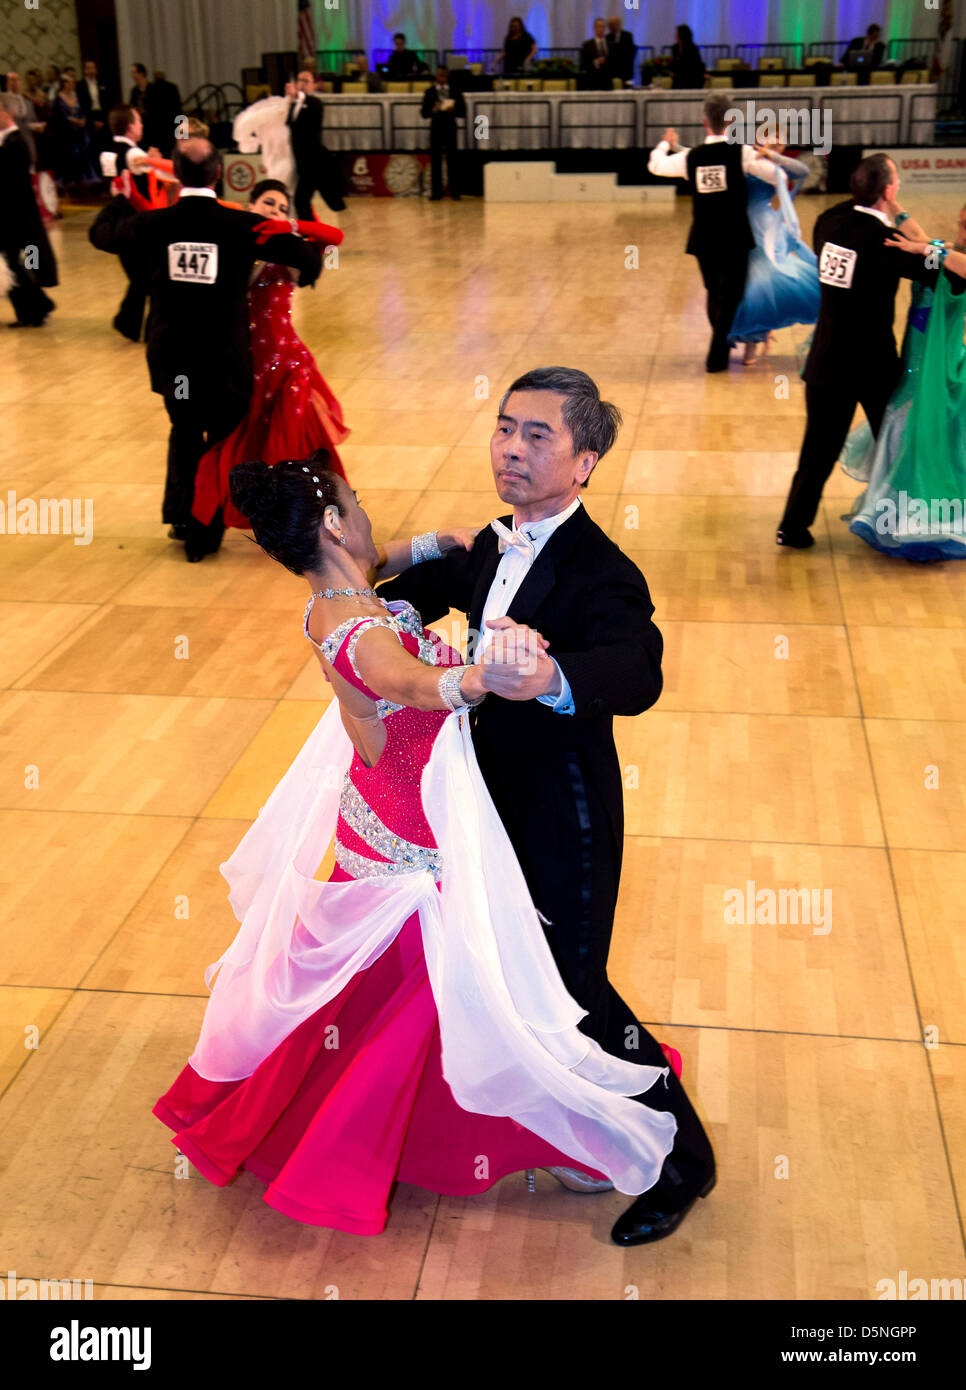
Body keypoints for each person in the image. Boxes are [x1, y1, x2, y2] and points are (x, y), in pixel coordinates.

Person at [154, 447, 689, 1237]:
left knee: (420, 998)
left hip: (385, 804)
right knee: (489, 984)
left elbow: (386, 556)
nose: (372, 514)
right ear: (334, 523)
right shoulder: (359, 629)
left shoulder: (339, 589)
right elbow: (406, 683)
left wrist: (444, 542)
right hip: (414, 833)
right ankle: (551, 1125)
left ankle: (495, 1121)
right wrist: (482, 677)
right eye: (357, 501)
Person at [377, 367, 717, 1246]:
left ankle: (684, 1159)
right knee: (515, 974)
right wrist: (408, 563)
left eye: (538, 437)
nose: (512, 450)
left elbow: (638, 670)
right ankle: (575, 1123)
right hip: (488, 803)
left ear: (586, 460)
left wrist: (557, 677)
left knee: (572, 989)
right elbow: (392, 594)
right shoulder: (494, 540)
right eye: (504, 429)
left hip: (563, 813)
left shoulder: (604, 570)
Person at [88, 137, 323, 561]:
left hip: (173, 357)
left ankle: (182, 518)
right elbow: (304, 256)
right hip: (224, 361)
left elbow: (101, 235)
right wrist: (299, 243)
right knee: (220, 440)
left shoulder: (157, 223)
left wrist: (120, 199)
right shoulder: (241, 226)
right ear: (219, 173)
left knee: (183, 430)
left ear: (176, 173)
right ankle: (205, 527)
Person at [777, 153, 965, 548]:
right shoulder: (884, 242)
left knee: (818, 450)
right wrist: (917, 236)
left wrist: (894, 210)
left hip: (826, 362)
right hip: (873, 367)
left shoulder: (828, 221)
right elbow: (937, 262)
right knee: (898, 447)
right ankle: (904, 523)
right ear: (890, 189)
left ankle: (792, 526)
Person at [192, 178, 349, 531]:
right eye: (268, 204)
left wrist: (289, 226)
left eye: (281, 207)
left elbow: (333, 236)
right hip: (246, 364)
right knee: (250, 441)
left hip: (288, 363)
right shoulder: (236, 246)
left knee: (291, 441)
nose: (275, 211)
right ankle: (259, 511)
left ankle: (302, 516)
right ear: (250, 206)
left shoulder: (291, 252)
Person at [840, 206, 966, 560]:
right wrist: (894, 208)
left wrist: (928, 250)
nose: (962, 229)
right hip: (913, 360)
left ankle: (919, 520)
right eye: (961, 221)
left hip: (936, 367)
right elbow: (920, 237)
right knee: (899, 430)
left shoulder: (956, 263)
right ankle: (895, 513)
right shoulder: (944, 251)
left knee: (912, 434)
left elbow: (934, 252)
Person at [648, 94, 786, 372]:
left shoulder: (692, 157)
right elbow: (779, 177)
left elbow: (656, 165)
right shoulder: (743, 153)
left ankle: (719, 349)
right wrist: (767, 156)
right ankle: (717, 355)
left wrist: (666, 142)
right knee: (730, 296)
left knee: (714, 291)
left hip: (704, 240)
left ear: (704, 122)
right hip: (735, 239)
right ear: (732, 121)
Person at [727, 139, 820, 366]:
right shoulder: (745, 156)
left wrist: (774, 156)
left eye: (781, 144)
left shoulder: (779, 164)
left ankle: (754, 341)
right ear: (760, 140)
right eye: (774, 142)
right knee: (753, 282)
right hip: (741, 227)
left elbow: (803, 171)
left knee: (767, 279)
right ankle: (757, 336)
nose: (778, 147)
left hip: (766, 228)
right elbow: (702, 155)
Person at [0, 94, 58, 326]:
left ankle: (34, 310)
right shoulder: (9, 140)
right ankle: (38, 306)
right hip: (14, 217)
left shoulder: (16, 141)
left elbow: (10, 181)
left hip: (17, 218)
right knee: (18, 263)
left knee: (19, 263)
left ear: (7, 112)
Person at [284, 69, 345, 217]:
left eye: (306, 81)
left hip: (314, 161)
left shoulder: (315, 104)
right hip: (302, 162)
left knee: (301, 200)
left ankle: (310, 235)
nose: (302, 84)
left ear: (313, 85)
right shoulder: (292, 106)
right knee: (315, 198)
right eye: (300, 80)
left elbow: (306, 101)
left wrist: (297, 95)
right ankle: (313, 233)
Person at [420, 67, 464, 201]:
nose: (442, 78)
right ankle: (436, 192)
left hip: (450, 127)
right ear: (436, 77)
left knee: (453, 160)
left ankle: (455, 192)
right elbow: (424, 113)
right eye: (440, 76)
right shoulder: (429, 92)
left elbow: (463, 111)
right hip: (436, 128)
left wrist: (453, 110)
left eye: (445, 76)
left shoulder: (455, 91)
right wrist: (434, 109)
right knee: (436, 161)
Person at [50, 72, 97, 186]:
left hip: (80, 132)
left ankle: (83, 179)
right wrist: (73, 121)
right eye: (69, 83)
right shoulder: (59, 99)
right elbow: (59, 117)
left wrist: (83, 120)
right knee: (70, 156)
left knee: (83, 154)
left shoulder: (77, 96)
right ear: (64, 84)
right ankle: (71, 180)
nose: (72, 85)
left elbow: (84, 110)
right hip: (67, 134)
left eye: (73, 83)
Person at [77, 59, 109, 153]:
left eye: (93, 68)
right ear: (84, 70)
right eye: (88, 68)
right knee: (92, 147)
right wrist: (92, 121)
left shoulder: (102, 83)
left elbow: (107, 102)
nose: (91, 71)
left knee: (104, 145)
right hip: (89, 117)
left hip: (102, 116)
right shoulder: (80, 85)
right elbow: (82, 105)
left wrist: (103, 120)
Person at [149, 69, 182, 155]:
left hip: (157, 127)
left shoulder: (151, 89)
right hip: (171, 125)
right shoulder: (172, 88)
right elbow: (178, 109)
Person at [580, 19, 613, 92]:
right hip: (593, 81)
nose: (601, 29)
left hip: (608, 81)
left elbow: (615, 61)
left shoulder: (611, 45)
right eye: (599, 27)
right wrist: (596, 62)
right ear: (594, 28)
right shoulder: (587, 45)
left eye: (603, 27)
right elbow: (583, 65)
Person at [670, 24, 706, 89]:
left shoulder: (692, 48)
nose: (675, 35)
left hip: (689, 78)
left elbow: (696, 64)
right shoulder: (675, 48)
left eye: (677, 33)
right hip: (677, 79)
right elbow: (674, 63)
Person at [606, 14, 636, 86]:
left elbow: (630, 52)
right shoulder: (607, 38)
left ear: (618, 24)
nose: (611, 27)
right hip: (612, 71)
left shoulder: (627, 36)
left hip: (625, 69)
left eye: (613, 24)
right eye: (610, 25)